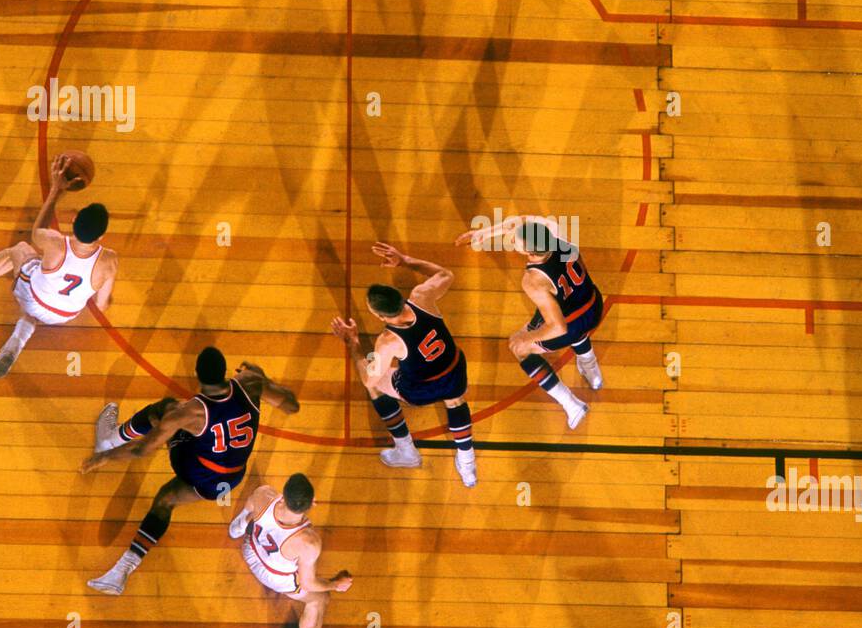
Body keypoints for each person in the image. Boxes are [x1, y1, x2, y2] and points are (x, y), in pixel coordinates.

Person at [81, 347, 300, 595]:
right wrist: (263, 379)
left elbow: (142, 450)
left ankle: (108, 439)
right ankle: (122, 571)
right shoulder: (250, 383)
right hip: (230, 478)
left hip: (198, 471)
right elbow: (292, 406)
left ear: (197, 374)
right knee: (167, 497)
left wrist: (105, 456)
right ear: (225, 370)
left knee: (164, 411)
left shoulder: (192, 411)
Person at [0, 153, 118, 377]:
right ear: (102, 235)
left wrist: (56, 190)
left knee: (19, 250)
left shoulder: (56, 243)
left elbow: (37, 232)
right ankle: (15, 343)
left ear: (74, 221)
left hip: (34, 297)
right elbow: (103, 305)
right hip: (64, 314)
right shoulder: (110, 261)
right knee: (41, 290)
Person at [330, 242, 477, 487]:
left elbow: (370, 377)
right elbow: (446, 274)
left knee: (373, 385)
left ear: (380, 316)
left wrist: (354, 343)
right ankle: (468, 462)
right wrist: (406, 260)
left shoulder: (388, 341)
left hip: (420, 389)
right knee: (455, 401)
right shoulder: (422, 298)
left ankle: (406, 450)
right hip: (454, 370)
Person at [457, 214, 602, 428]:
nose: (512, 240)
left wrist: (526, 338)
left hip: (570, 322)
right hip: (593, 304)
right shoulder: (556, 233)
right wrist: (483, 233)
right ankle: (592, 370)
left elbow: (558, 326)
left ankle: (571, 404)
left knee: (518, 346)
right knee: (571, 316)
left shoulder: (533, 280)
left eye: (516, 242)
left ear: (529, 253)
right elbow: (521, 221)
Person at [229, 474, 353, 628]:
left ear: (283, 494)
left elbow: (249, 507)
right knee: (319, 599)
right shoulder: (308, 541)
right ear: (312, 503)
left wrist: (240, 526)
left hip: (251, 550)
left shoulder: (264, 494)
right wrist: (334, 584)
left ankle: (235, 529)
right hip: (274, 575)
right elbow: (308, 583)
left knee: (242, 525)